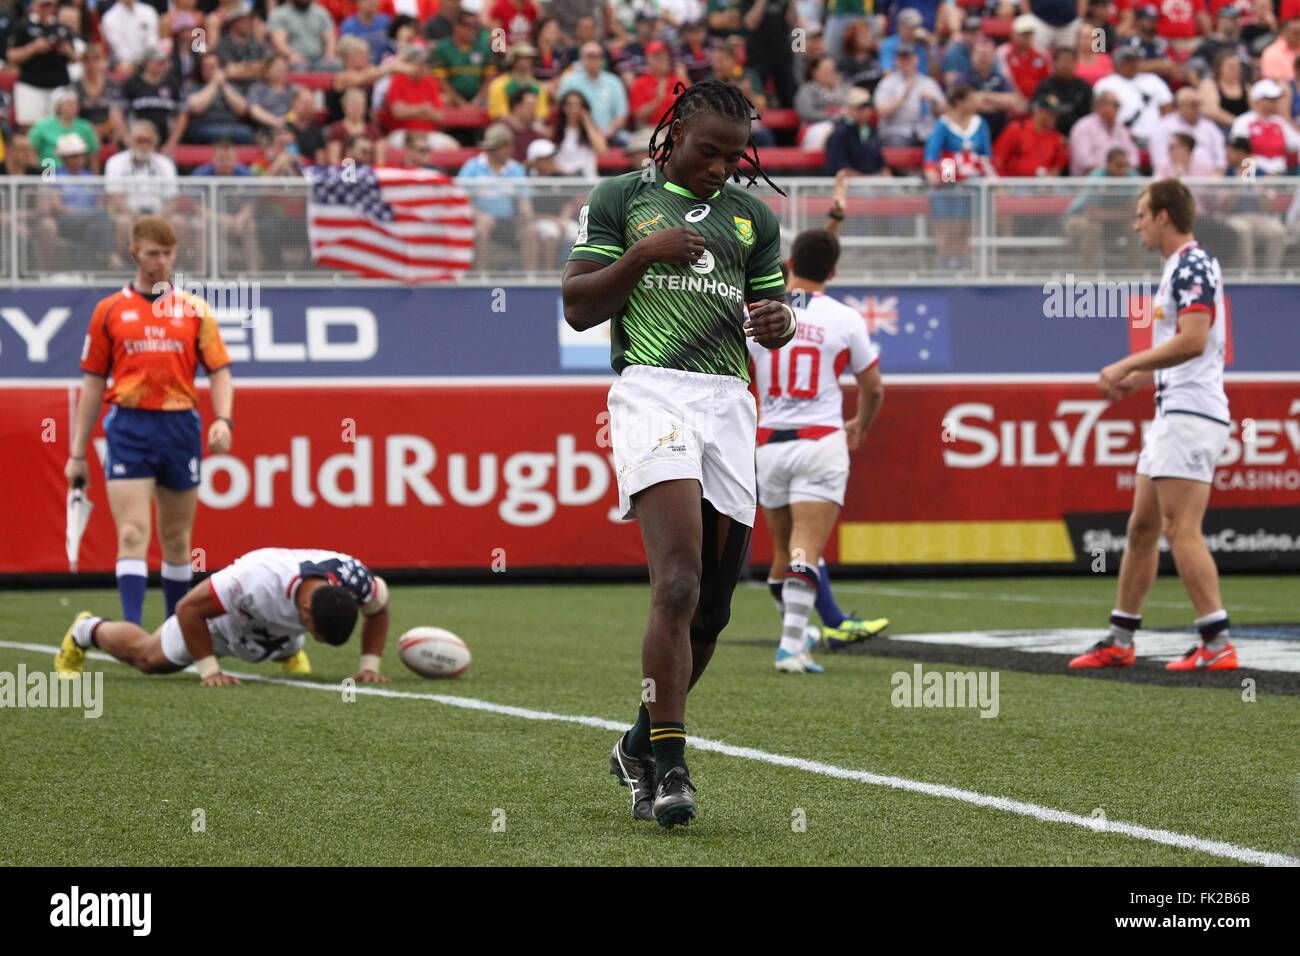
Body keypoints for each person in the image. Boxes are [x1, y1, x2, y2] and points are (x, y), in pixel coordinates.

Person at [561, 79, 792, 828]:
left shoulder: (754, 217)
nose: (721, 168)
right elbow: (578, 305)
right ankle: (670, 768)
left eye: (733, 156)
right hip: (652, 391)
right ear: (675, 135)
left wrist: (778, 320)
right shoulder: (621, 198)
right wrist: (645, 253)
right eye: (707, 152)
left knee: (715, 611)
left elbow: (773, 306)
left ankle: (637, 742)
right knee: (681, 581)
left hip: (728, 398)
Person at [1071, 180, 1238, 674]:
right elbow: (1188, 350)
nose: (1137, 223)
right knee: (1142, 527)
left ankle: (1217, 640)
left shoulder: (1191, 264)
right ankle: (1121, 638)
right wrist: (1140, 378)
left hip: (1190, 414)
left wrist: (1126, 364)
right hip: (1176, 411)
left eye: (1142, 214)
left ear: (1164, 216)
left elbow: (1193, 340)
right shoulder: (1180, 267)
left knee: (1179, 529)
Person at [63, 216, 234, 630]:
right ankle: (133, 632)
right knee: (133, 533)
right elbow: (91, 382)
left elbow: (220, 370)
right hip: (129, 428)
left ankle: (175, 635)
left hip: (179, 427)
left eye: (168, 252)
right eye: (153, 253)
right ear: (134, 253)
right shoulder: (110, 311)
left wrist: (224, 419)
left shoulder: (194, 309)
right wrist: (76, 453)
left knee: (177, 539)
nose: (162, 261)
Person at [748, 226, 888, 674]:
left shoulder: (758, 312)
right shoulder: (845, 318)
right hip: (820, 439)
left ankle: (797, 631)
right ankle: (792, 646)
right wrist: (860, 426)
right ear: (833, 271)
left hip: (768, 442)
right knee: (806, 547)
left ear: (789, 264)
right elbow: (874, 388)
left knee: (781, 553)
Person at [56, 548, 391, 685]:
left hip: (275, 625)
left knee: (282, 637)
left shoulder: (355, 579)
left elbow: (379, 610)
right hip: (221, 622)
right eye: (317, 634)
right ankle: (87, 629)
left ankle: (287, 648)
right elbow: (189, 608)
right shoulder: (254, 579)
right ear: (304, 612)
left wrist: (369, 667)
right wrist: (210, 670)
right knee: (148, 658)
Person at [923, 83, 992, 272]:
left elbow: (986, 154)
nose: (976, 102)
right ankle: (945, 265)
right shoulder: (944, 124)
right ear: (960, 102)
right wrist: (932, 173)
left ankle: (966, 266)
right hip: (949, 175)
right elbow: (932, 154)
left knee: (967, 227)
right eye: (971, 99)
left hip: (973, 180)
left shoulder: (979, 123)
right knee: (949, 227)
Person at [7, 0, 78, 128]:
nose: (47, 9)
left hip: (58, 86)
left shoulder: (61, 28)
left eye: (50, 5)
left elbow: (75, 58)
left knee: (61, 126)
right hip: (31, 85)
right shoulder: (23, 27)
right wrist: (33, 48)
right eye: (43, 5)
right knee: (30, 127)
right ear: (34, 6)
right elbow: (11, 55)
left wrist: (66, 50)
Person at [1093, 45, 1172, 147]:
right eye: (1126, 61)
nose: (1130, 65)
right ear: (1116, 64)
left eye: (1133, 61)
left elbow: (1167, 107)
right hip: (1119, 137)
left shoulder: (1153, 80)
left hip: (1154, 137)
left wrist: (1160, 131)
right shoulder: (1105, 84)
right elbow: (1099, 114)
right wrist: (1119, 133)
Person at [874, 43, 945, 147]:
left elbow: (946, 112)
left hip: (926, 131)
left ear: (916, 59)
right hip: (897, 131)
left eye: (908, 58)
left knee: (943, 141)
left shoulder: (928, 82)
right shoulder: (887, 83)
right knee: (897, 143)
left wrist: (933, 100)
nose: (905, 62)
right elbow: (882, 112)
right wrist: (904, 95)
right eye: (902, 59)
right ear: (896, 61)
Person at [1229, 79, 1300, 175]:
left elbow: (1296, 144)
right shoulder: (1244, 121)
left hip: (1281, 176)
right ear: (1259, 100)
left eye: (1275, 99)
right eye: (1271, 99)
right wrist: (1260, 173)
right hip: (1253, 175)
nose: (1275, 102)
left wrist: (1286, 115)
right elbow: (1236, 154)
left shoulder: (1280, 122)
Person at [1068, 88, 1139, 175]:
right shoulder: (1083, 127)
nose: (1118, 109)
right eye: (1115, 105)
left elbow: (1134, 160)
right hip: (1090, 180)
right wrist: (1111, 168)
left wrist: (1120, 167)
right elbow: (1085, 162)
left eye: (1118, 106)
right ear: (1099, 106)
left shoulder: (1121, 128)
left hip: (1121, 179)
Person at [993, 94, 1068, 176]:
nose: (1055, 117)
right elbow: (998, 159)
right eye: (1051, 113)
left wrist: (1047, 182)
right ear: (1039, 111)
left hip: (1041, 186)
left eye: (1056, 114)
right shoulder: (1016, 129)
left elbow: (1057, 166)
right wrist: (1000, 185)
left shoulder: (1056, 137)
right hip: (1014, 184)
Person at [823, 86, 888, 176]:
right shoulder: (839, 133)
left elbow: (880, 163)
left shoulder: (870, 131)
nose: (867, 111)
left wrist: (886, 182)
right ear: (850, 108)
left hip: (871, 183)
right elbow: (840, 169)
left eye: (868, 107)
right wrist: (870, 182)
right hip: (847, 186)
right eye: (861, 107)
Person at [1032, 45, 1092, 134]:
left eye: (1069, 61)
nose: (1066, 65)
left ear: (1076, 63)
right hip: (1049, 134)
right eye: (1063, 61)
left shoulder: (1084, 87)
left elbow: (1090, 117)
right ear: (1054, 63)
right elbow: (1035, 111)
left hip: (1079, 134)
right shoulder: (1045, 86)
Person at [1200, 50, 1250, 131]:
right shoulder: (1209, 85)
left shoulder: (1247, 88)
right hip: (1219, 128)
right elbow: (1211, 111)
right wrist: (1238, 123)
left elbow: (1255, 111)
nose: (1235, 71)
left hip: (1244, 129)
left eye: (1238, 67)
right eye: (1231, 67)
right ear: (1219, 68)